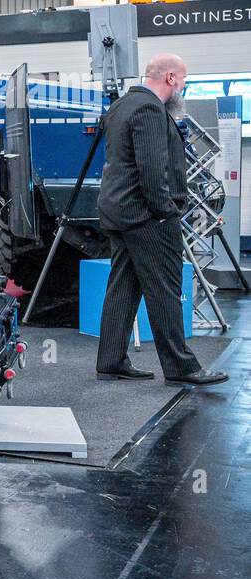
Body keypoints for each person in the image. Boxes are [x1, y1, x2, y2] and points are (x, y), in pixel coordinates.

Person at [96, 53, 227, 387]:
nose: (183, 86)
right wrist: (166, 212)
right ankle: (182, 366)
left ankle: (111, 360)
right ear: (170, 78)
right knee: (165, 290)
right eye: (183, 79)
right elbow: (153, 169)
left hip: (118, 211)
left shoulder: (122, 106)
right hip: (146, 216)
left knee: (123, 286)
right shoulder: (150, 109)